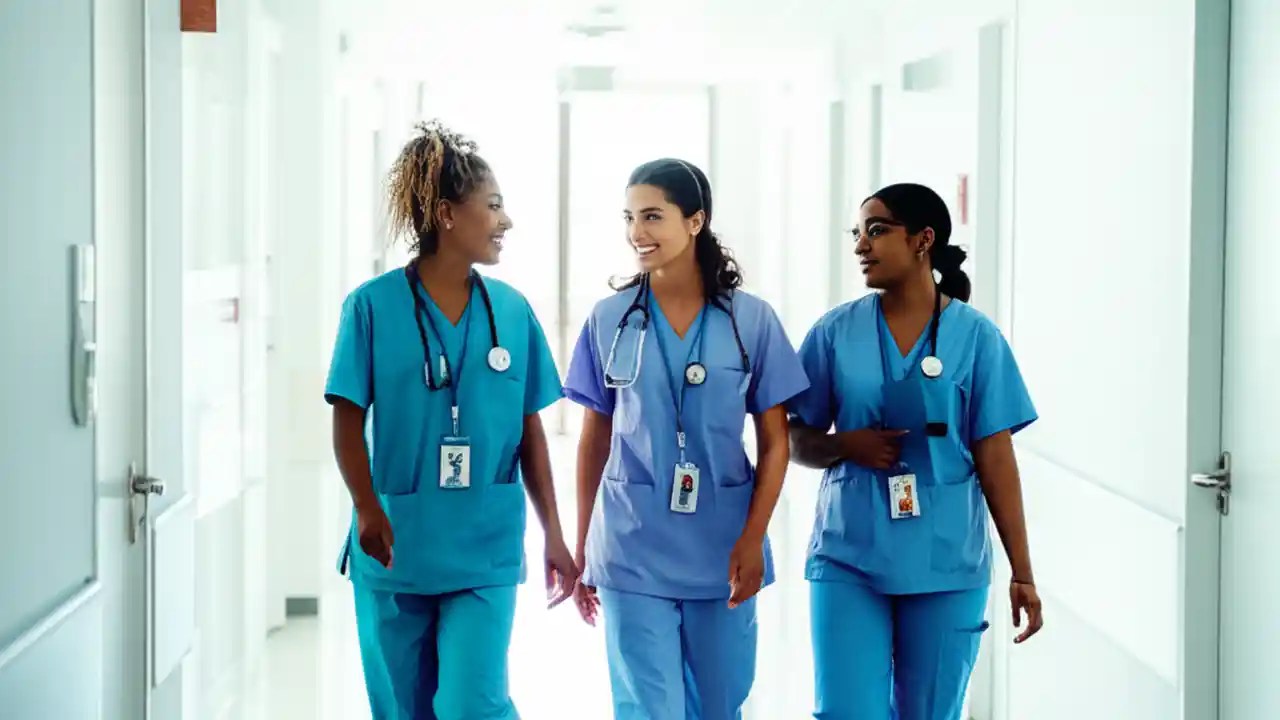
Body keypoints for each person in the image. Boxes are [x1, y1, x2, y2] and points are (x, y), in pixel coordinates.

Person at [324, 120, 578, 720]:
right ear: (446, 214)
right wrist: (365, 504)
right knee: (403, 709)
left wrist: (554, 534)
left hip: (484, 545)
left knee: (473, 702)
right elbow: (346, 418)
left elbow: (530, 432)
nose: (505, 221)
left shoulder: (511, 311)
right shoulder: (371, 307)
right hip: (396, 543)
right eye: (492, 206)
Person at [563, 158, 810, 719]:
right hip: (631, 546)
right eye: (629, 218)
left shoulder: (752, 322)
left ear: (695, 221)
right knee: (649, 709)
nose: (636, 233)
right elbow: (592, 442)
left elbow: (776, 442)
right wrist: (584, 549)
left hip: (722, 547)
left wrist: (753, 539)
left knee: (720, 706)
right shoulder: (610, 319)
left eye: (652, 216)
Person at [788, 183, 1042, 720]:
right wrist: (841, 446)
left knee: (930, 713)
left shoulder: (977, 338)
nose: (861, 245)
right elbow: (794, 439)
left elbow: (996, 460)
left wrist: (1023, 572)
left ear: (924, 240)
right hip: (849, 553)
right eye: (857, 233)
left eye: (876, 230)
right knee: (846, 712)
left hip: (947, 559)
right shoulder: (835, 332)